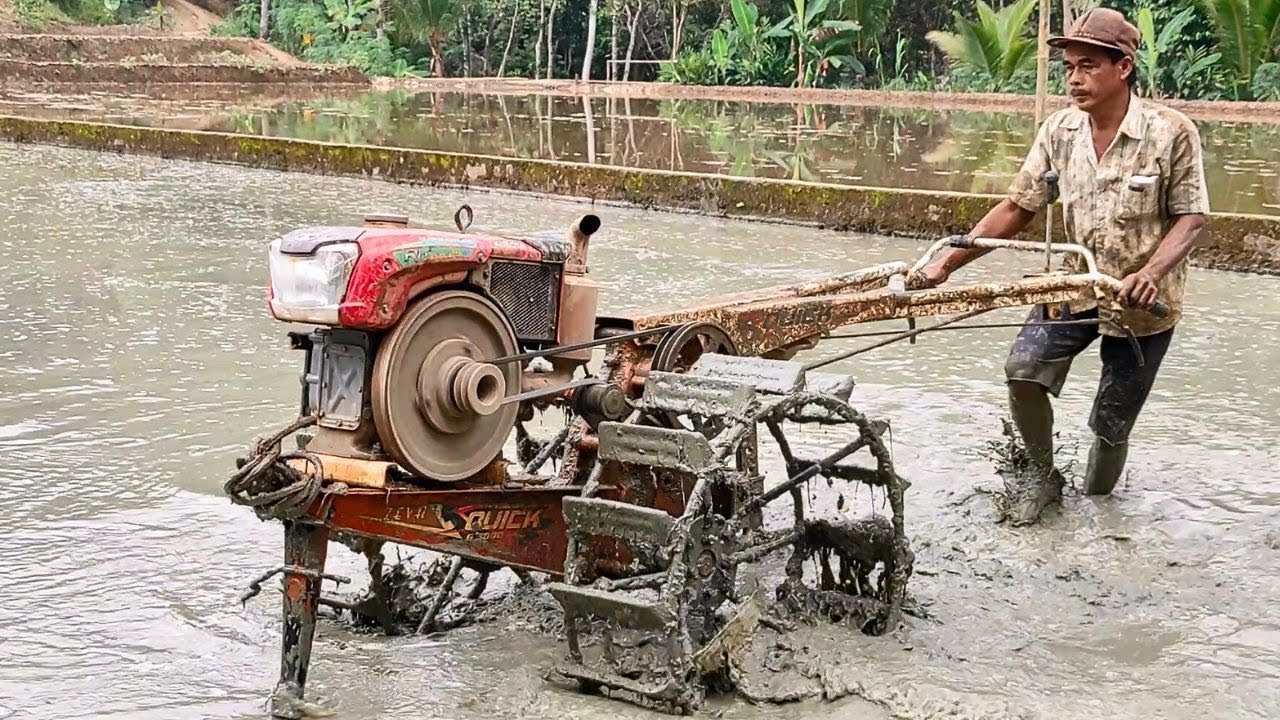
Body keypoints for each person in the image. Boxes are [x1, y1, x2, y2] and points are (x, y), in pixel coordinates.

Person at [917, 7, 1209, 523]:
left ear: (1123, 67)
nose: (1074, 78)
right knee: (1023, 371)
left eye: (1088, 66)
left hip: (1143, 305)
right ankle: (1042, 474)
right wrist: (947, 265)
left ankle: (1097, 511)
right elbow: (1016, 208)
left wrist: (1151, 273)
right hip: (1075, 287)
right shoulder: (1059, 131)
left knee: (1110, 424)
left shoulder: (1171, 133)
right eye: (1069, 67)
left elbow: (1191, 219)